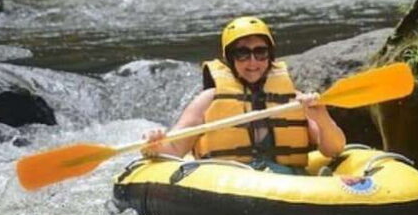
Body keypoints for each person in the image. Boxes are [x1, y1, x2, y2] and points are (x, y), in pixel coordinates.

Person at [143, 16, 346, 174]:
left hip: (286, 180)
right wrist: (155, 146)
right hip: (229, 183)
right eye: (242, 54)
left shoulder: (295, 100)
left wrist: (321, 115)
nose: (252, 63)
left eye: (260, 53)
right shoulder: (209, 99)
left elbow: (334, 149)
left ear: (270, 56)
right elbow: (176, 149)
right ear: (230, 59)